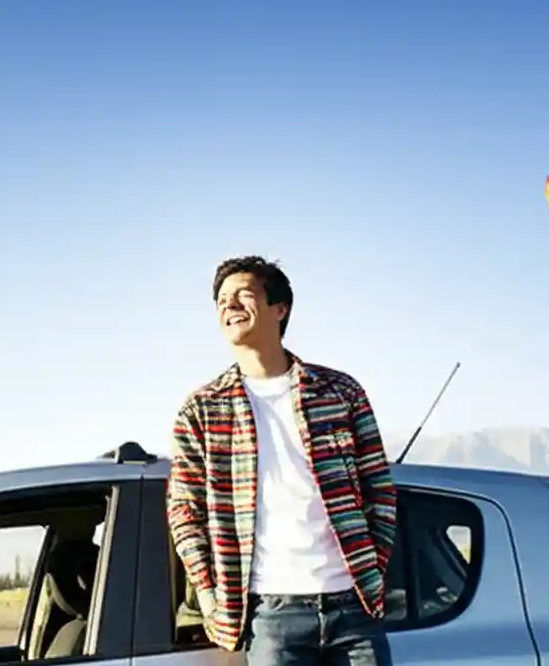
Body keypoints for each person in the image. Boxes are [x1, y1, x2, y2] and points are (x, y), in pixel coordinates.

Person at [166, 255, 397, 666]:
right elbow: (184, 510)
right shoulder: (202, 410)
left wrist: (372, 569)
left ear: (280, 308)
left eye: (243, 294)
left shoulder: (340, 393)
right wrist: (208, 593)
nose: (229, 305)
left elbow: (379, 486)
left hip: (353, 608)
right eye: (221, 300)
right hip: (270, 617)